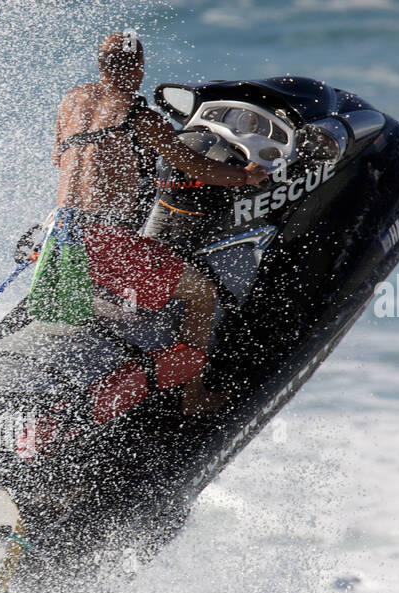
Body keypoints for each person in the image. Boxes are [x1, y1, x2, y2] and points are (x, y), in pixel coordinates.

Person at [49, 32, 268, 415]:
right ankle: (192, 396)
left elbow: (60, 159)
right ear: (139, 70)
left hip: (59, 233)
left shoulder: (71, 102)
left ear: (100, 67)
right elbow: (196, 166)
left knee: (132, 279)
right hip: (103, 241)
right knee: (201, 294)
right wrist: (247, 176)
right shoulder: (139, 117)